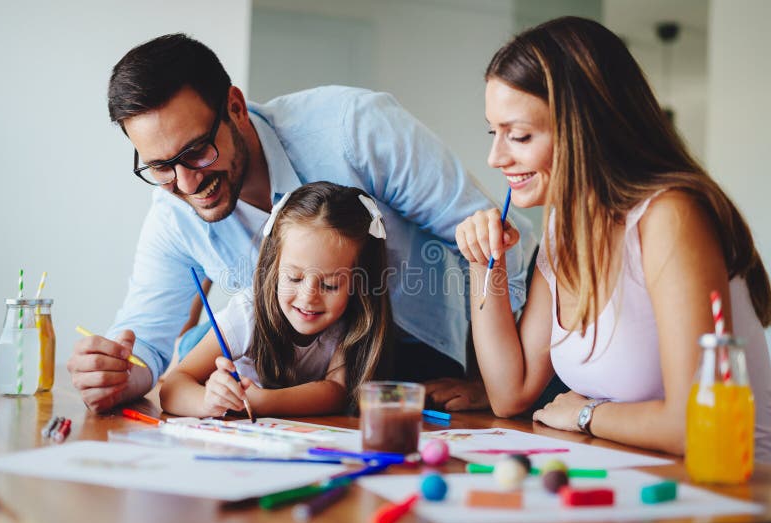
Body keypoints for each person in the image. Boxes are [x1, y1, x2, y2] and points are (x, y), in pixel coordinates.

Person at [67, 33, 535, 413]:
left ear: (234, 105)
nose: (186, 183)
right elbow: (145, 341)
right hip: (294, 397)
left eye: (196, 152)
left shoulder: (355, 130)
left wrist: (493, 381)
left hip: (427, 366)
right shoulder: (171, 216)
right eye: (161, 167)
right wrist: (118, 372)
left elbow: (490, 235)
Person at [457, 17, 771, 460]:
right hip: (640, 479)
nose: (495, 156)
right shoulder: (564, 228)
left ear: (583, 126)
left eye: (520, 135)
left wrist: (588, 414)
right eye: (495, 133)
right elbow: (511, 392)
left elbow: (696, 425)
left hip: (732, 492)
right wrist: (482, 260)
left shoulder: (669, 217)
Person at [160, 182, 392, 417]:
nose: (308, 297)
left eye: (329, 284)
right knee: (192, 343)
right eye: (294, 278)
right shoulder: (246, 313)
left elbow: (335, 392)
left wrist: (265, 402)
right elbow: (172, 388)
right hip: (220, 337)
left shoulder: (349, 320)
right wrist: (206, 402)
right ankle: (184, 342)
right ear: (274, 268)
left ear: (359, 284)